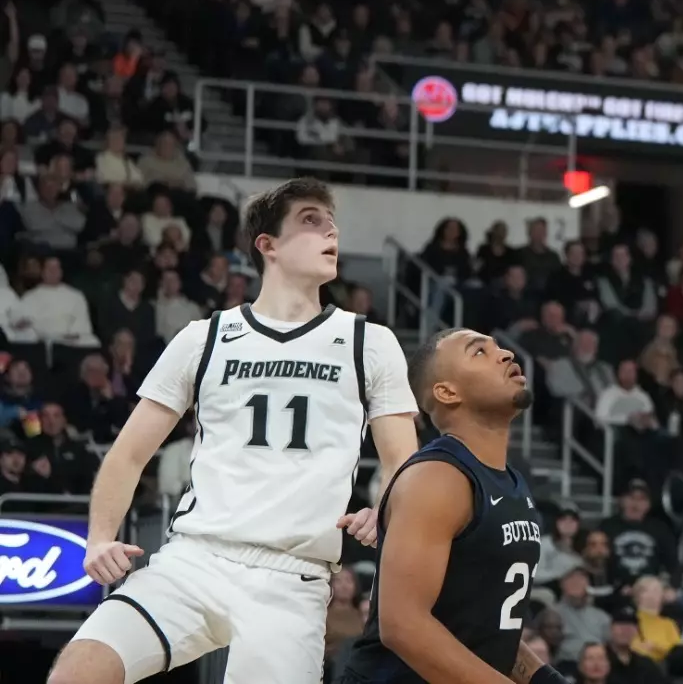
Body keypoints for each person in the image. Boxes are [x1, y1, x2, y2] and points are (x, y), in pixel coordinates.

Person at [51, 178, 420, 684]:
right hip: (193, 559)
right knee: (77, 671)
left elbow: (404, 464)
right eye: (311, 220)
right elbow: (129, 453)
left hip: (292, 576)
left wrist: (385, 511)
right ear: (268, 244)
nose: (331, 230)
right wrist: (98, 538)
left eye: (332, 222)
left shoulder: (369, 342)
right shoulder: (204, 338)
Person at [335, 327, 562, 684]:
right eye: (479, 352)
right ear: (447, 392)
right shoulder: (438, 477)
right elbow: (402, 625)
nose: (505, 354)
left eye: (499, 347)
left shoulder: (509, 481)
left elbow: (483, 627)